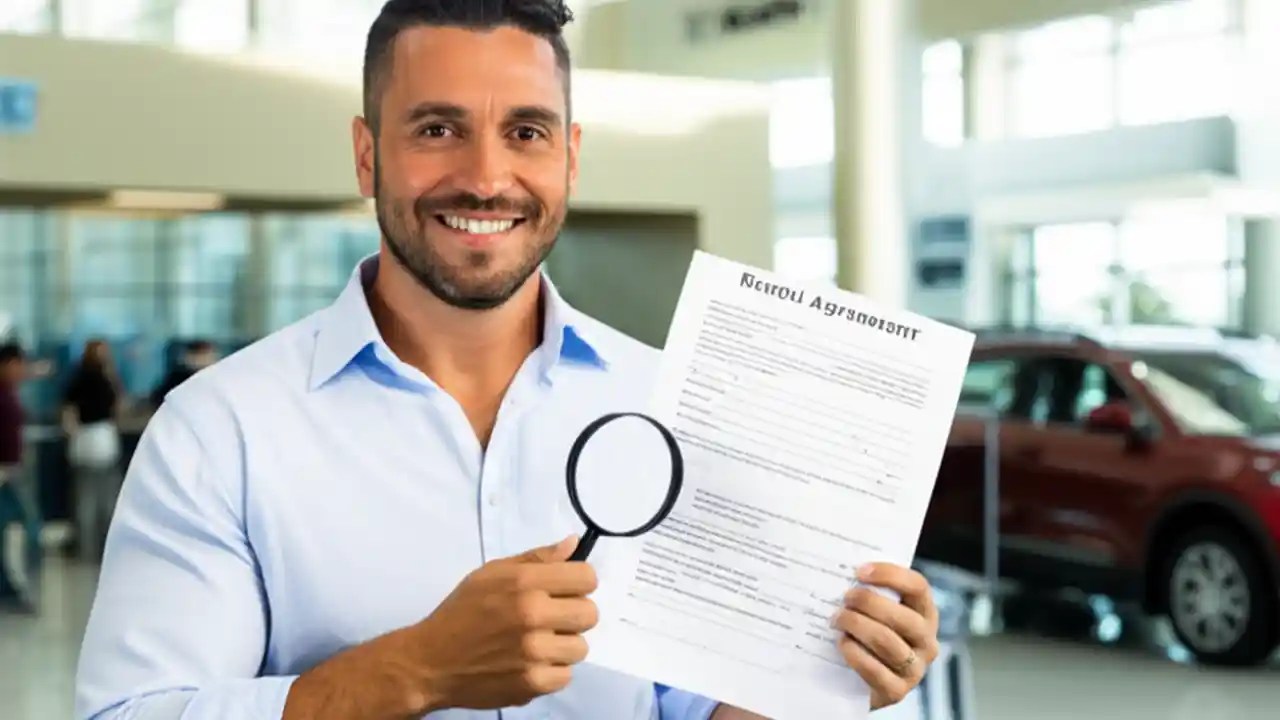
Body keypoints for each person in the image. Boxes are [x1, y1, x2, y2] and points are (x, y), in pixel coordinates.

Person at [75, 2, 942, 718]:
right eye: (438, 128)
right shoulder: (219, 432)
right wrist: (413, 669)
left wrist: (831, 677)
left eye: (526, 131)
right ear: (367, 153)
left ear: (570, 155)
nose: (486, 177)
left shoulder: (677, 410)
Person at [62, 338, 123, 563]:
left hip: (84, 440)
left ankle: (84, 550)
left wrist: (72, 434)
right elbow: (118, 407)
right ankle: (105, 550)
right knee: (107, 498)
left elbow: (68, 412)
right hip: (104, 438)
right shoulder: (107, 380)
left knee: (84, 500)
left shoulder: (76, 378)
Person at [0, 341, 40, 607]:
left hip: (12, 469)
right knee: (25, 527)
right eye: (18, 365)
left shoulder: (10, 392)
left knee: (12, 530)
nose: (22, 370)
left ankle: (11, 587)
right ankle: (15, 588)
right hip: (4, 471)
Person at [150, 339, 218, 407]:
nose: (205, 360)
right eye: (202, 356)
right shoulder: (176, 381)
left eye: (208, 355)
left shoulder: (216, 380)